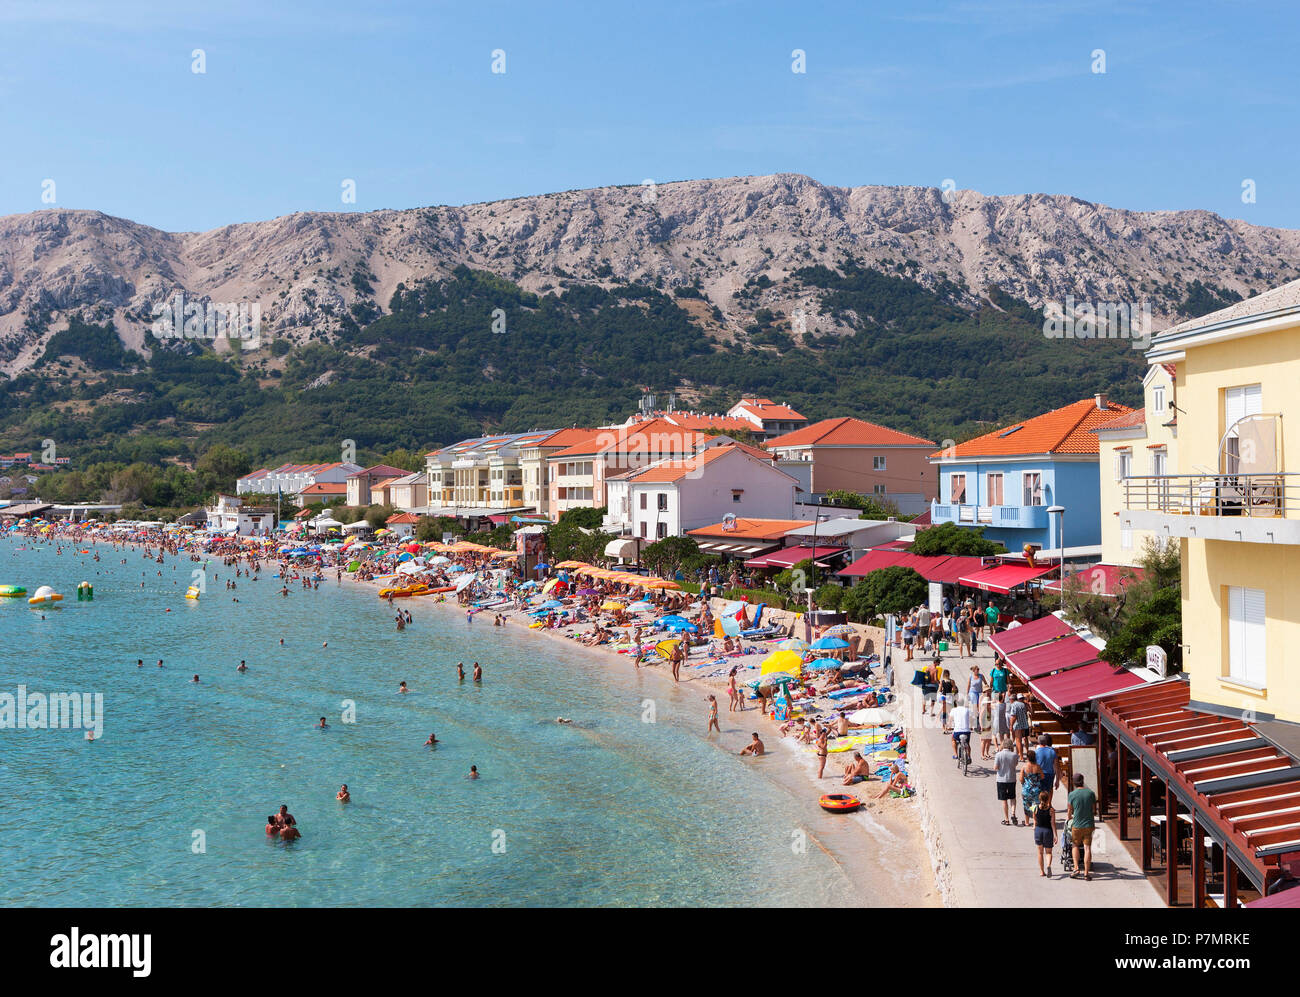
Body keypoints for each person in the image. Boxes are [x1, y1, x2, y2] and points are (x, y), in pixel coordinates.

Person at [1067, 773, 1097, 881]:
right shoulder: (1091, 793)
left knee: (1075, 845)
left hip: (1077, 825)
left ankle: (1076, 868)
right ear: (1083, 780)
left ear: (1074, 782)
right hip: (1089, 824)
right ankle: (1086, 872)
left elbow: (1069, 811)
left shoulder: (1072, 794)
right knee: (1087, 848)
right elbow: (1094, 810)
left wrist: (1069, 818)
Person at [995, 738, 1020, 825]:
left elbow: (996, 767)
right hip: (1011, 778)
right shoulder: (1014, 755)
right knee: (1012, 797)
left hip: (1001, 779)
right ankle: (1013, 813)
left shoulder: (998, 754)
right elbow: (1016, 764)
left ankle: (1006, 819)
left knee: (1004, 799)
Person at [1018, 753, 1045, 828]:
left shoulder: (1024, 767)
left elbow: (1021, 779)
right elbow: (1042, 777)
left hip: (1027, 789)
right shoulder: (1038, 767)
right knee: (1035, 805)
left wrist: (1025, 782)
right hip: (1036, 789)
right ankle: (1035, 822)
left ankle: (1026, 822)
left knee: (1027, 804)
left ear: (1028, 758)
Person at [1033, 790, 1055, 877]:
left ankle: (1042, 871)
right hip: (1048, 831)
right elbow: (1053, 823)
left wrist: (1034, 826)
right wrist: (1055, 835)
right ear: (1048, 799)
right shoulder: (1051, 810)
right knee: (1048, 852)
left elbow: (1035, 820)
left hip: (1038, 831)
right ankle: (1048, 865)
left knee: (1040, 853)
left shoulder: (1035, 808)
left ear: (1039, 798)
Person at [1035, 734, 1059, 804]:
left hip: (1040, 774)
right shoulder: (1052, 751)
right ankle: (1049, 803)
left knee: (1040, 791)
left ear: (1039, 742)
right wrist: (1057, 779)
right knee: (1049, 790)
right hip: (1050, 774)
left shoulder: (1036, 752)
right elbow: (1056, 766)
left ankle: (1041, 804)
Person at [949, 695, 972, 761]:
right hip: (967, 731)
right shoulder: (967, 710)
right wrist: (971, 726)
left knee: (953, 740)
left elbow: (950, 720)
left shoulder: (954, 710)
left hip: (957, 731)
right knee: (967, 743)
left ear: (956, 703)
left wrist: (949, 726)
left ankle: (955, 754)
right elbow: (971, 719)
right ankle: (969, 757)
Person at [1008, 693, 1030, 758]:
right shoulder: (1023, 704)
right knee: (1024, 739)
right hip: (1024, 724)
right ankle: (1019, 754)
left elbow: (1014, 716)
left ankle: (1021, 756)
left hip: (1018, 725)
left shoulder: (1014, 705)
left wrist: (1011, 725)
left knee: (1018, 741)